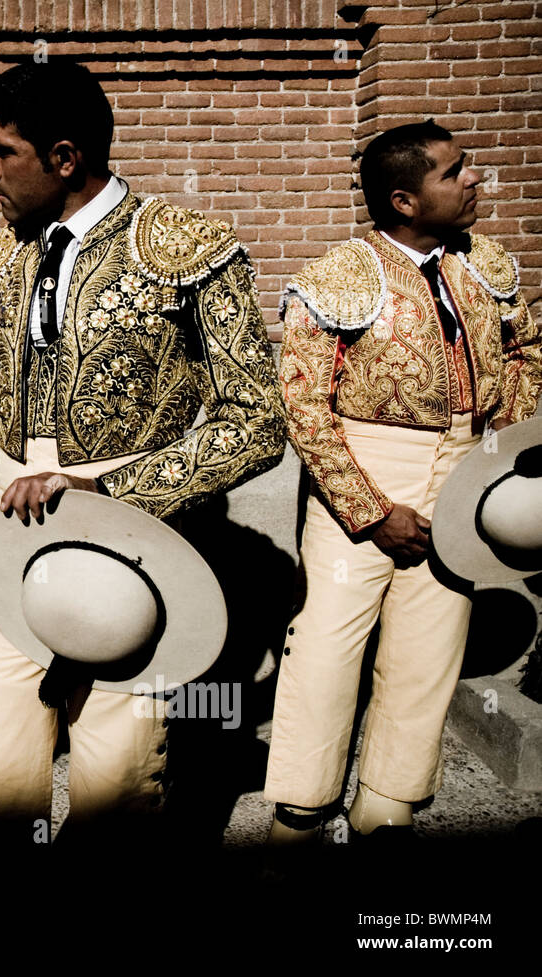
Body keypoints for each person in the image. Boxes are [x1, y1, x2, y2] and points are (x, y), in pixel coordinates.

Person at [0, 61, 286, 848]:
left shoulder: (187, 249)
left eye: (1, 151)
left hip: (136, 536)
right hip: (6, 536)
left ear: (66, 156)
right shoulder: (1, 260)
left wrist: (107, 483)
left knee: (115, 780)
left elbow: (256, 422)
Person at [264, 121, 541, 842]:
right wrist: (370, 507)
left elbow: (524, 353)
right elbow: (301, 402)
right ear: (404, 200)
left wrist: (497, 457)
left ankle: (388, 801)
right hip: (362, 467)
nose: (475, 179)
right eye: (454, 173)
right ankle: (300, 812)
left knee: (431, 643)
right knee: (326, 645)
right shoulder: (337, 275)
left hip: (463, 468)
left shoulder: (487, 263)